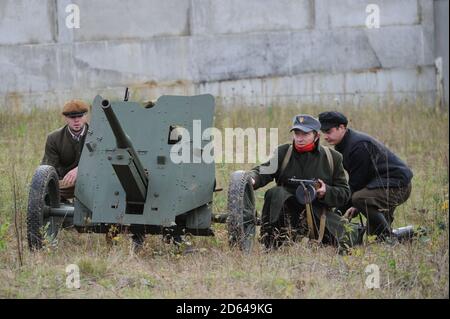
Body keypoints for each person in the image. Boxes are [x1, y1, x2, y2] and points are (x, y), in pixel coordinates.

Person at [249, 114, 363, 249]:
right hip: (286, 210)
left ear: (316, 136)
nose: (300, 138)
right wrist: (252, 178)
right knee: (275, 193)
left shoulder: (333, 158)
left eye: (305, 134)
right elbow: (262, 171)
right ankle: (271, 241)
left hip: (317, 212)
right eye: (297, 133)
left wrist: (325, 191)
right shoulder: (283, 152)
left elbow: (344, 193)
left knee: (349, 239)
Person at [318, 111, 413, 240]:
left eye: (328, 132)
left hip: (398, 187)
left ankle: (390, 237)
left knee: (359, 199)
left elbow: (356, 184)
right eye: (324, 132)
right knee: (373, 237)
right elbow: (362, 179)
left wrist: (337, 214)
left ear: (341, 127)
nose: (325, 136)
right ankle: (406, 234)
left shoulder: (357, 146)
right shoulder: (345, 143)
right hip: (383, 185)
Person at [41, 100, 89, 200]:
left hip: (93, 181)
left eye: (80, 116)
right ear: (65, 118)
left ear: (86, 116)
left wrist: (80, 169)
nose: (76, 120)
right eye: (72, 117)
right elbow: (49, 168)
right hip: (66, 184)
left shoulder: (98, 135)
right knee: (43, 189)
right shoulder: (54, 138)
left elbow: (104, 161)